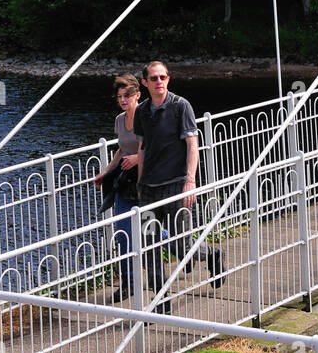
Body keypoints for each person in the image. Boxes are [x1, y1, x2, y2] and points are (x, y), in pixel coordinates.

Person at [135, 60, 223, 313]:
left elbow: (192, 145)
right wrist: (140, 184)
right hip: (149, 189)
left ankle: (212, 255)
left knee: (181, 245)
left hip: (176, 186)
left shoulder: (180, 106)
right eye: (154, 78)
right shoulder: (142, 112)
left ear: (168, 80)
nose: (159, 81)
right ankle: (161, 302)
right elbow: (142, 148)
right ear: (145, 82)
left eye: (163, 77)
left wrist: (190, 182)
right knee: (149, 246)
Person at [92, 75, 142, 302]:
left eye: (127, 96)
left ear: (137, 95)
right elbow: (122, 150)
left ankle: (199, 251)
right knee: (122, 235)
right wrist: (107, 171)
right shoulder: (120, 120)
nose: (122, 100)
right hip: (126, 183)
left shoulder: (147, 118)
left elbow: (154, 148)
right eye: (119, 97)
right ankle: (127, 284)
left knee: (151, 235)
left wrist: (138, 159)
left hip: (147, 182)